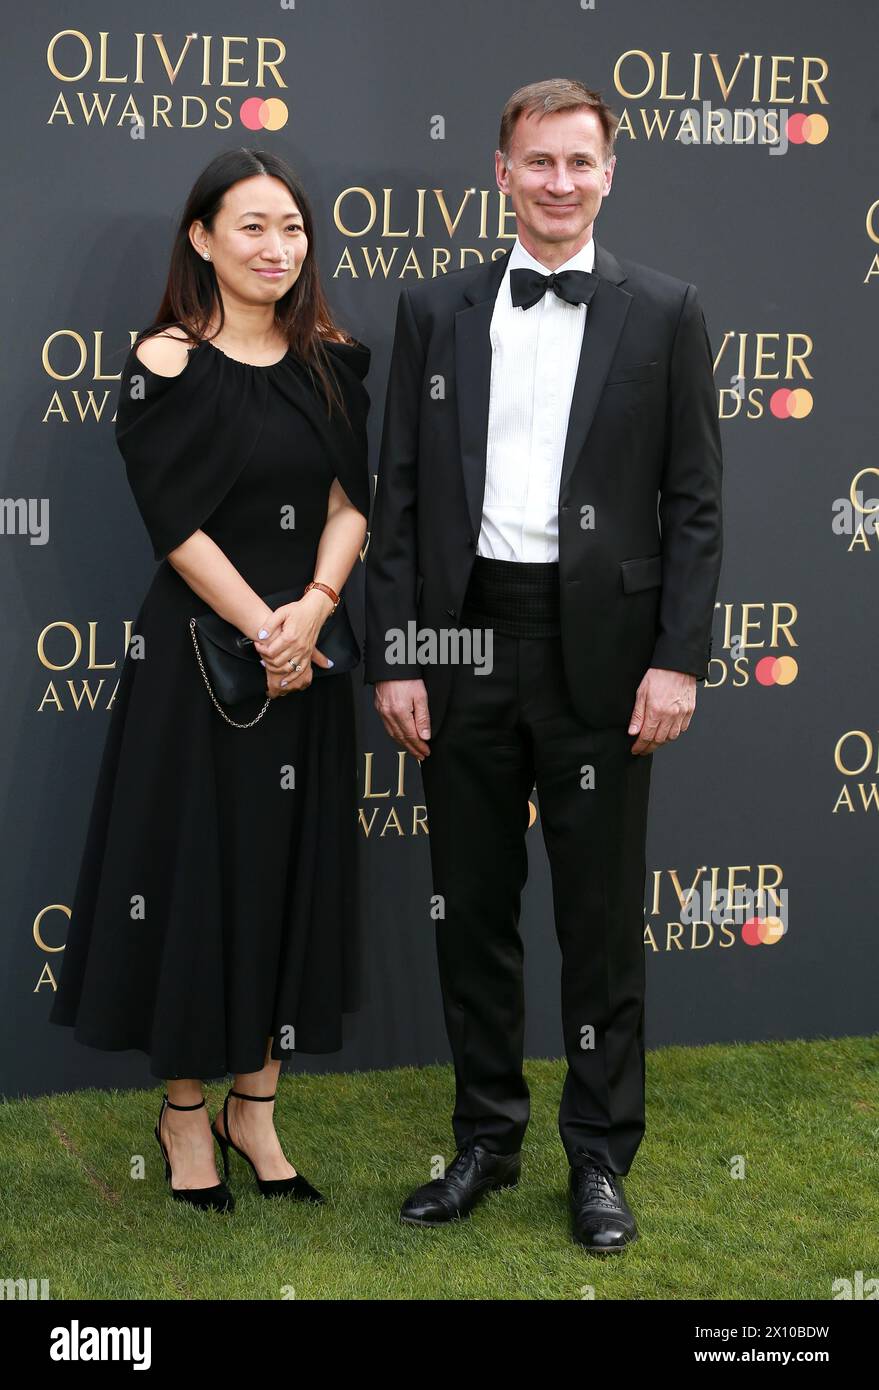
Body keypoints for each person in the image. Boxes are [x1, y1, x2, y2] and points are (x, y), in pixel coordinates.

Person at [365, 78, 723, 1252]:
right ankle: (485, 1137)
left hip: (606, 656)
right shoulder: (437, 306)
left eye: (580, 162)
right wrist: (404, 654)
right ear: (502, 172)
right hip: (464, 636)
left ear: (609, 173)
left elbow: (695, 506)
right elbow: (401, 498)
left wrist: (677, 663)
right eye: (538, 162)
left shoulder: (666, 311)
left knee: (602, 918)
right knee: (472, 910)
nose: (559, 182)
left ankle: (600, 1158)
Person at [50, 148, 371, 1214]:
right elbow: (174, 523)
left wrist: (313, 613)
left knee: (286, 875)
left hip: (306, 656)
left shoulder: (333, 358)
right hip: (197, 662)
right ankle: (185, 1115)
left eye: (292, 228)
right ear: (201, 238)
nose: (277, 248)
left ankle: (257, 1110)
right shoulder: (165, 363)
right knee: (191, 877)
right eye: (251, 227)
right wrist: (263, 630)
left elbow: (352, 501)